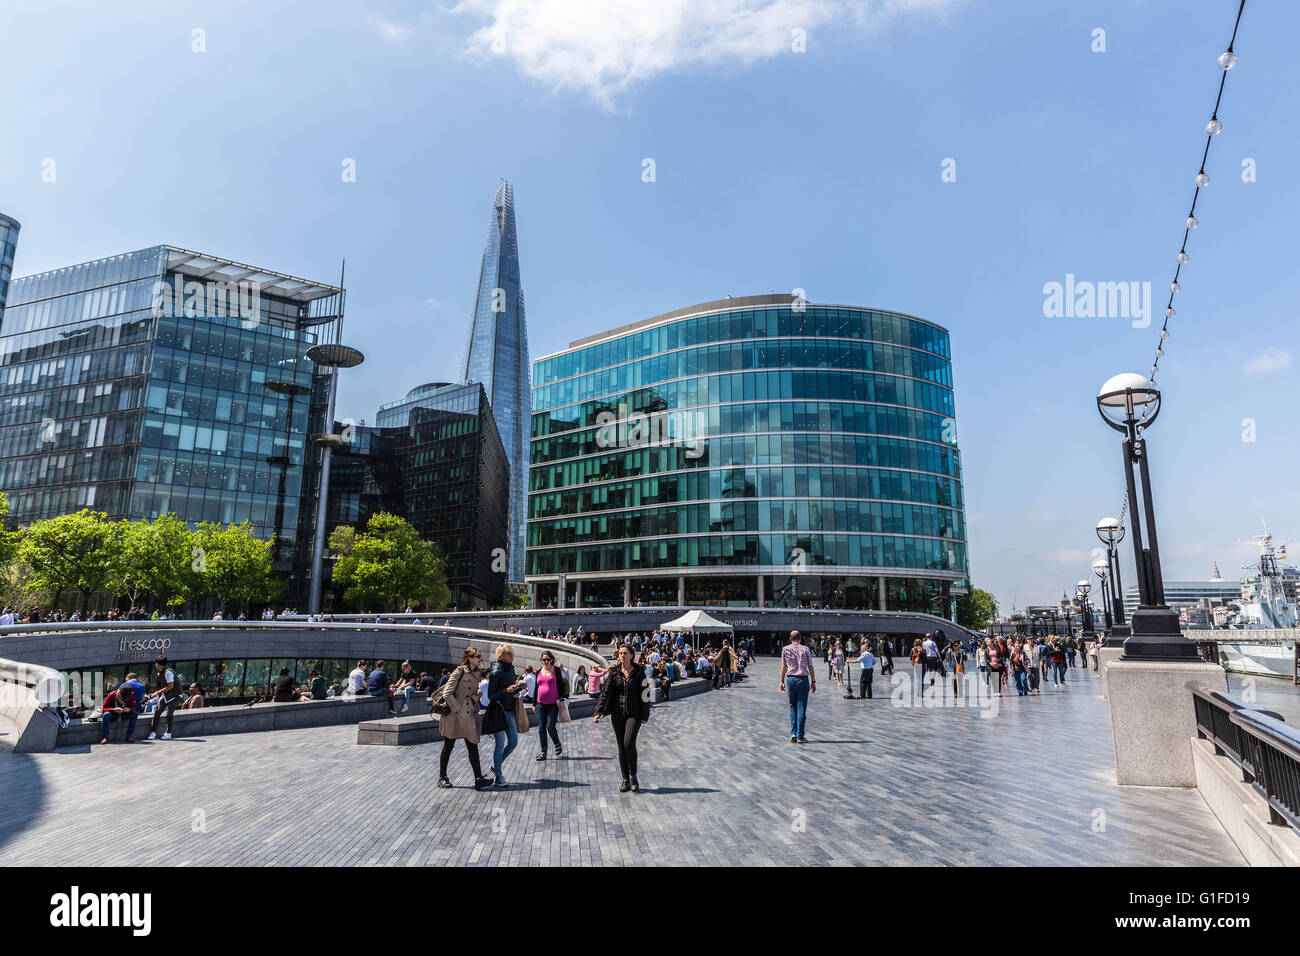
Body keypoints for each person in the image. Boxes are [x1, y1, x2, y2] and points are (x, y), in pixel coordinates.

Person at [594, 643, 651, 792]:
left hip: (634, 714)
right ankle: (625, 778)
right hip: (617, 714)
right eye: (620, 653)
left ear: (631, 655)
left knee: (628, 743)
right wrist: (598, 712)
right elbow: (606, 692)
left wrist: (645, 714)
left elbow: (646, 694)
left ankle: (634, 776)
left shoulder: (639, 672)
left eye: (625, 653)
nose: (622, 655)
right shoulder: (614, 672)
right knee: (621, 747)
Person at [436, 647, 494, 790]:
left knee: (472, 745)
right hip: (454, 715)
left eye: (480, 655)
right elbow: (447, 693)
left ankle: (478, 778)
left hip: (469, 714)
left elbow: (474, 691)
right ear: (469, 658)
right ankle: (442, 778)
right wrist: (457, 709)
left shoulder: (477, 672)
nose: (480, 658)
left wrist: (475, 698)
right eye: (477, 656)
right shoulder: (459, 671)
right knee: (448, 745)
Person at [482, 644, 526, 789]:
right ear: (501, 655)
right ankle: (499, 777)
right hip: (499, 712)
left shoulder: (510, 668)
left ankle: (496, 765)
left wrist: (518, 687)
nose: (511, 656)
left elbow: (510, 689)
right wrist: (506, 690)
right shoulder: (496, 671)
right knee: (500, 744)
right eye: (508, 653)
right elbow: (491, 696)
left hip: (510, 710)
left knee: (513, 742)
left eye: (511, 653)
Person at [779, 629, 815, 743]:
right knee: (801, 707)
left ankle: (793, 733)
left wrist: (781, 681)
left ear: (790, 638)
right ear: (800, 638)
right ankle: (800, 736)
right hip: (803, 679)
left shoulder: (785, 649)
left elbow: (783, 667)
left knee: (792, 706)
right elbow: (810, 666)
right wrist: (813, 681)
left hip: (790, 679)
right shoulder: (806, 649)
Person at [533, 650, 568, 760]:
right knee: (541, 728)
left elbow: (561, 686)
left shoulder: (556, 670)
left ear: (552, 660)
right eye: (544, 659)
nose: (546, 661)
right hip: (540, 704)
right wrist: (534, 704)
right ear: (541, 660)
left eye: (548, 659)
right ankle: (543, 752)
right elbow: (536, 688)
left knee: (550, 726)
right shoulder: (538, 671)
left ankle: (557, 744)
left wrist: (562, 699)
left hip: (553, 704)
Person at [146, 656, 184, 740]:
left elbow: (170, 686)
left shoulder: (168, 672)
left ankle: (168, 733)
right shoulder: (159, 673)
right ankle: (153, 732)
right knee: (157, 712)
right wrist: (155, 694)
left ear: (158, 664)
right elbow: (160, 687)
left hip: (175, 695)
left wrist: (157, 693)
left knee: (169, 713)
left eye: (156, 663)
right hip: (165, 695)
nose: (155, 665)